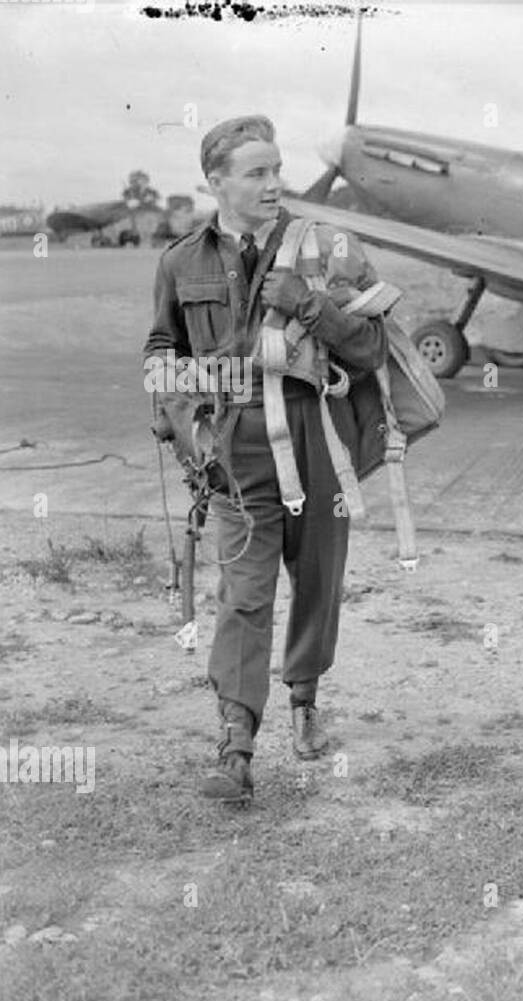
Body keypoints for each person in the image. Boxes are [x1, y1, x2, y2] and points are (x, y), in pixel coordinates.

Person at [143, 115, 388, 804]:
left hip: (318, 436)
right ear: (215, 181)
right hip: (232, 445)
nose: (274, 183)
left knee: (317, 580)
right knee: (244, 594)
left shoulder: (327, 248)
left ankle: (304, 696)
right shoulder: (180, 261)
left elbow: (371, 350)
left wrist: (311, 305)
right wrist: (186, 428)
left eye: (277, 169)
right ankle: (237, 740)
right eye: (257, 173)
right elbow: (161, 352)